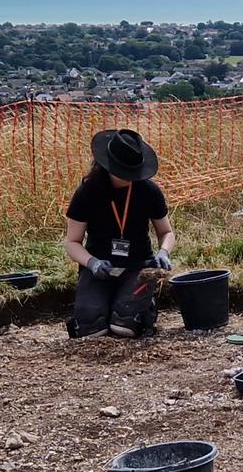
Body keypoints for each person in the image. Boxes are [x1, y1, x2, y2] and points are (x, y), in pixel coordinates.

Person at [64, 129, 175, 339]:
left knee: (124, 326)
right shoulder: (88, 192)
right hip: (99, 265)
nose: (129, 178)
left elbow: (166, 232)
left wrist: (164, 252)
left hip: (138, 265)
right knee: (91, 327)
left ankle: (138, 307)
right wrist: (92, 263)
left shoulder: (149, 190)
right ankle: (98, 303)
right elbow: (72, 242)